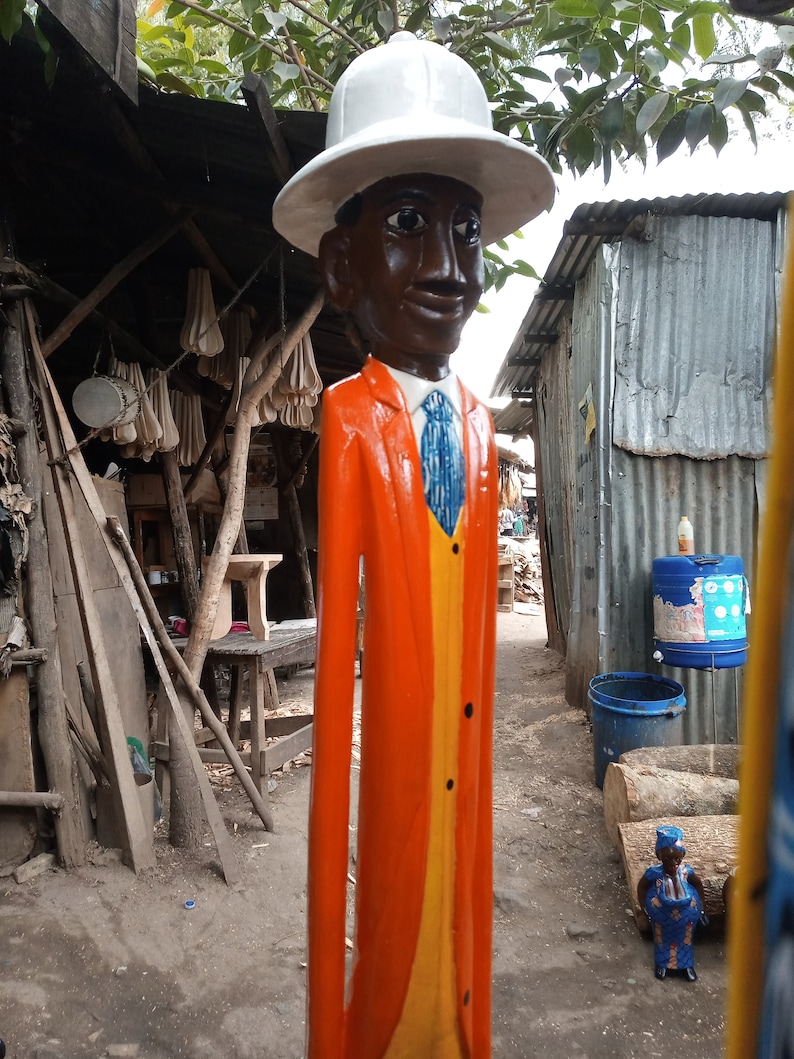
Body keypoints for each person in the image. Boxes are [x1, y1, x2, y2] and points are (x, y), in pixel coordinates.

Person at [273, 30, 554, 1059]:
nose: (446, 265)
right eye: (407, 226)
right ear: (342, 264)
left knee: (459, 934)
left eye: (465, 232)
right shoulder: (348, 416)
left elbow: (482, 625)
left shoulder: (479, 426)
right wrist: (338, 798)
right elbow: (338, 657)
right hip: (388, 759)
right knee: (393, 927)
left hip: (463, 755)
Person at [638, 825, 707, 982]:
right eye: (668, 858)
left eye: (677, 858)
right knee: (662, 938)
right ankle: (662, 964)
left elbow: (698, 884)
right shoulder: (654, 873)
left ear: (682, 856)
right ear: (660, 856)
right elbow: (641, 887)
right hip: (662, 917)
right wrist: (643, 909)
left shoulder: (686, 871)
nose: (673, 863)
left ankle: (686, 965)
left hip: (686, 918)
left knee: (686, 939)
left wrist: (702, 909)